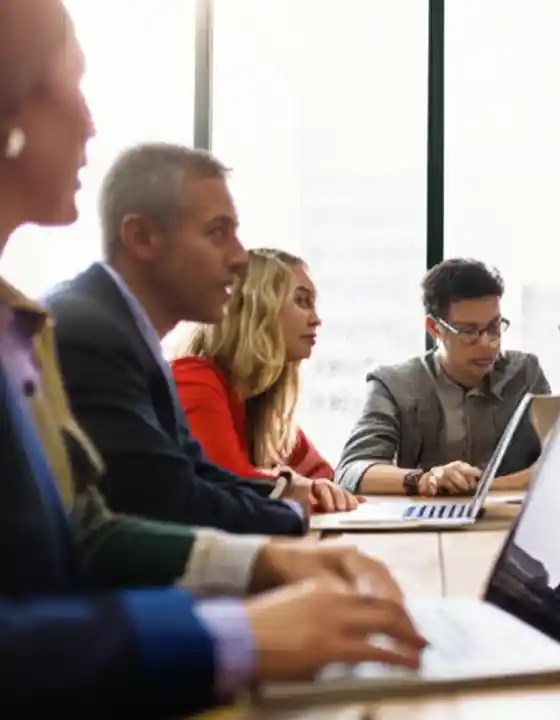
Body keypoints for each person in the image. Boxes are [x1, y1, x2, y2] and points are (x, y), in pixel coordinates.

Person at [0, 2, 423, 713]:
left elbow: (87, 530)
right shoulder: (77, 326)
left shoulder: (26, 323)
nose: (91, 122)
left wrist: (265, 558)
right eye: (71, 83)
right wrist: (234, 634)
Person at [43, 143, 356, 534]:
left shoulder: (133, 338)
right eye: (217, 233)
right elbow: (169, 501)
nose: (240, 257)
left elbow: (199, 475)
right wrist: (291, 517)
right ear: (141, 238)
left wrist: (288, 499)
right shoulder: (91, 333)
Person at [337, 258, 549, 495]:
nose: (489, 343)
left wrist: (480, 490)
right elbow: (352, 470)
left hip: (507, 520)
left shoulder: (524, 374)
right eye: (469, 332)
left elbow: (559, 460)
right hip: (426, 524)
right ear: (434, 328)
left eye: (495, 327)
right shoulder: (394, 384)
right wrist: (424, 479)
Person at [172, 248, 355, 511]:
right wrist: (291, 484)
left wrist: (309, 488)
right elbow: (227, 483)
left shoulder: (263, 402)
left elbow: (324, 479)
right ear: (257, 310)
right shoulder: (193, 379)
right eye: (302, 301)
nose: (316, 319)